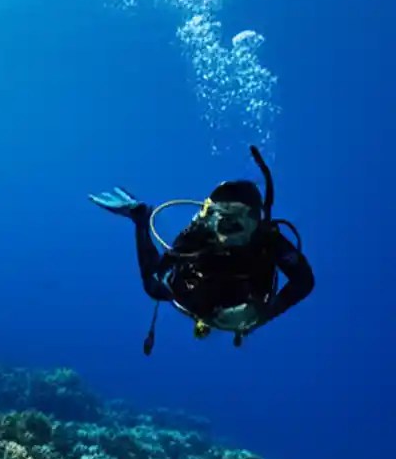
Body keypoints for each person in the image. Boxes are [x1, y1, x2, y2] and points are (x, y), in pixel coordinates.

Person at [89, 146, 314, 355]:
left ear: (254, 220)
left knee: (157, 289)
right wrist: (141, 222)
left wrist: (263, 314)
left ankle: (139, 217)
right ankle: (139, 214)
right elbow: (158, 272)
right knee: (155, 288)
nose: (223, 228)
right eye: (219, 218)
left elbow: (304, 280)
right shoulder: (199, 232)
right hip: (200, 292)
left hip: (244, 301)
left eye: (232, 221)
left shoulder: (268, 240)